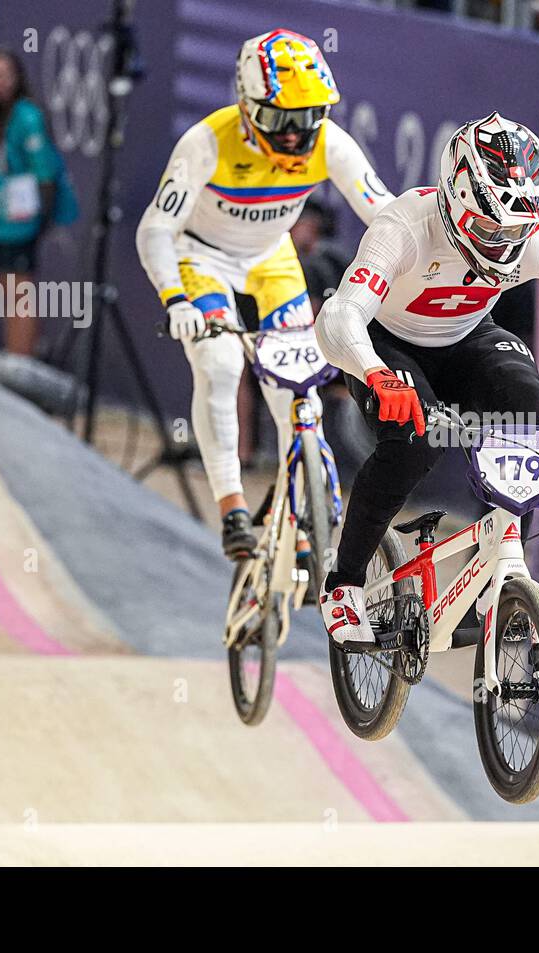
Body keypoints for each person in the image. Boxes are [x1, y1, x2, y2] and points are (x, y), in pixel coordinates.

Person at [313, 113, 539, 644]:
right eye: (491, 227)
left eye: (516, 231)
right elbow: (340, 316)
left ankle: (500, 561)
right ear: (453, 200)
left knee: (524, 404)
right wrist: (377, 374)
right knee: (416, 440)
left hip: (467, 334)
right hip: (386, 344)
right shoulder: (406, 223)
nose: (503, 244)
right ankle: (344, 583)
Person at [136, 29, 391, 558]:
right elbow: (156, 231)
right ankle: (231, 506)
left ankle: (300, 514)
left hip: (270, 257)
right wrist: (175, 299)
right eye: (282, 121)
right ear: (246, 107)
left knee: (297, 389)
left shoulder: (329, 142)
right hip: (201, 258)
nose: (297, 137)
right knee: (221, 363)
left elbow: (387, 216)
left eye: (309, 118)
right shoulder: (207, 142)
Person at [0, 50, 76, 356]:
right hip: (1, 222)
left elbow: (44, 172)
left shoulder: (27, 116)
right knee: (6, 292)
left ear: (19, 77)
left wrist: (42, 220)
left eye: (6, 75)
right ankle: (13, 356)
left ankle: (21, 363)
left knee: (20, 292)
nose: (1, 83)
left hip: (22, 222)